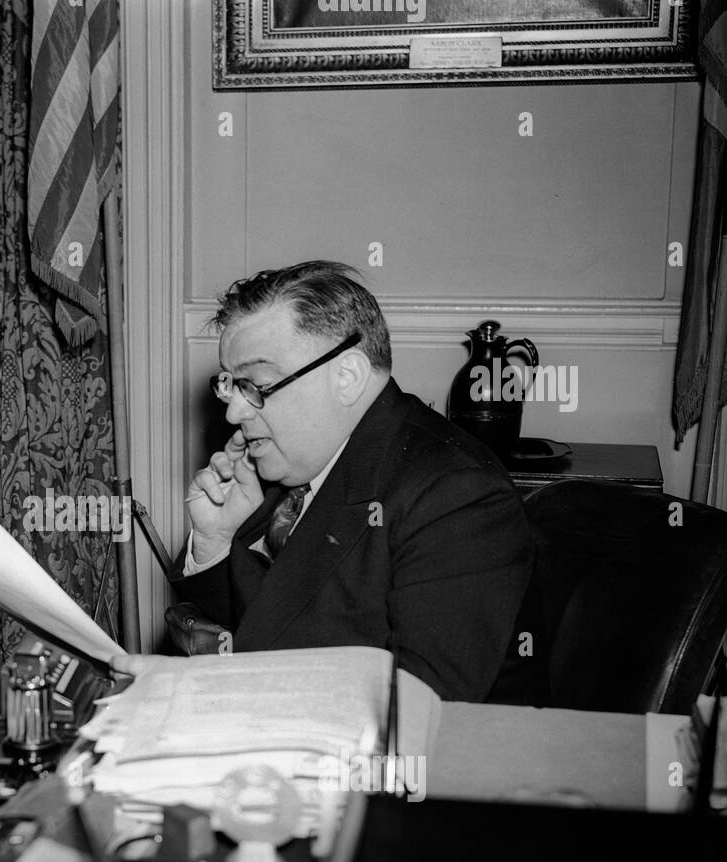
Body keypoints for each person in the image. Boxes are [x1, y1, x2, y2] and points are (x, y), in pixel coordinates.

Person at [111, 261, 532, 702]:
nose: (234, 413)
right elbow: (264, 628)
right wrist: (216, 541)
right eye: (231, 386)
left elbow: (417, 714)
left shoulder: (456, 495)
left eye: (256, 385)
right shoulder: (292, 465)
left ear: (345, 377)